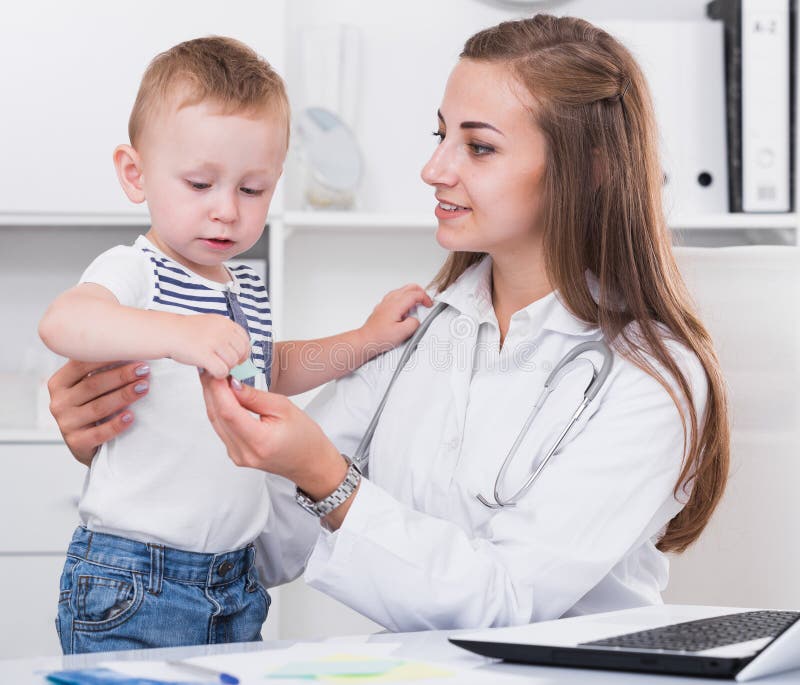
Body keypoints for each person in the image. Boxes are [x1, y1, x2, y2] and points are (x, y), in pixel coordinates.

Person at [48, 15, 730, 633]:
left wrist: (328, 479)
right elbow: (267, 534)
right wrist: (143, 442)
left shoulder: (652, 378)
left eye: (479, 147)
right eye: (441, 135)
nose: (433, 168)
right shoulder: (419, 330)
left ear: (590, 169)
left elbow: (507, 601)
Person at [38, 36, 429, 654]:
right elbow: (64, 322)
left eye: (252, 190)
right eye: (200, 184)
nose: (226, 211)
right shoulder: (136, 269)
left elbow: (269, 367)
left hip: (234, 580)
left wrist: (364, 340)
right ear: (134, 174)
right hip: (137, 576)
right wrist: (179, 333)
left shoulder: (243, 283)